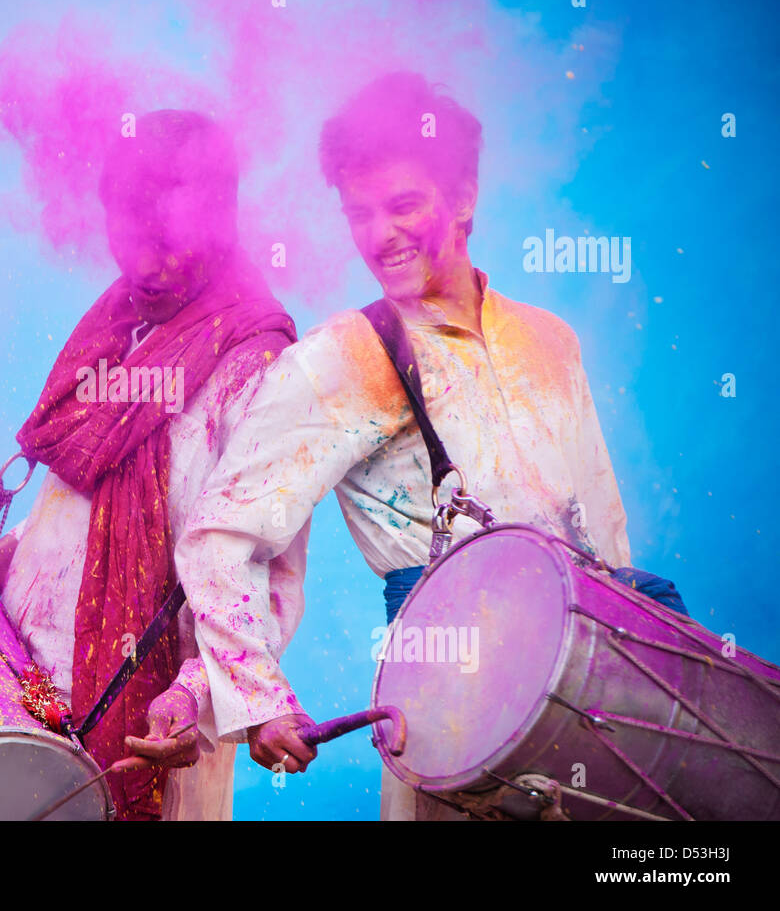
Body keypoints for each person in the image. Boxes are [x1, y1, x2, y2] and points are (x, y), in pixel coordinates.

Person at [174, 72, 686, 821]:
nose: (380, 234)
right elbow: (220, 534)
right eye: (359, 212)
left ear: (465, 196)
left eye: (404, 203)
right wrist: (255, 697)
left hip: (588, 712)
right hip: (453, 724)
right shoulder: (343, 356)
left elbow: (605, 531)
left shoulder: (550, 341)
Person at [0, 109, 304, 820]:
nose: (143, 263)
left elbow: (265, 571)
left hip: (150, 720)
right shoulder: (118, 322)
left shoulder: (255, 363)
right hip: (27, 696)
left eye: (164, 238)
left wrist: (194, 693)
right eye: (126, 234)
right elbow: (70, 512)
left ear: (218, 219)